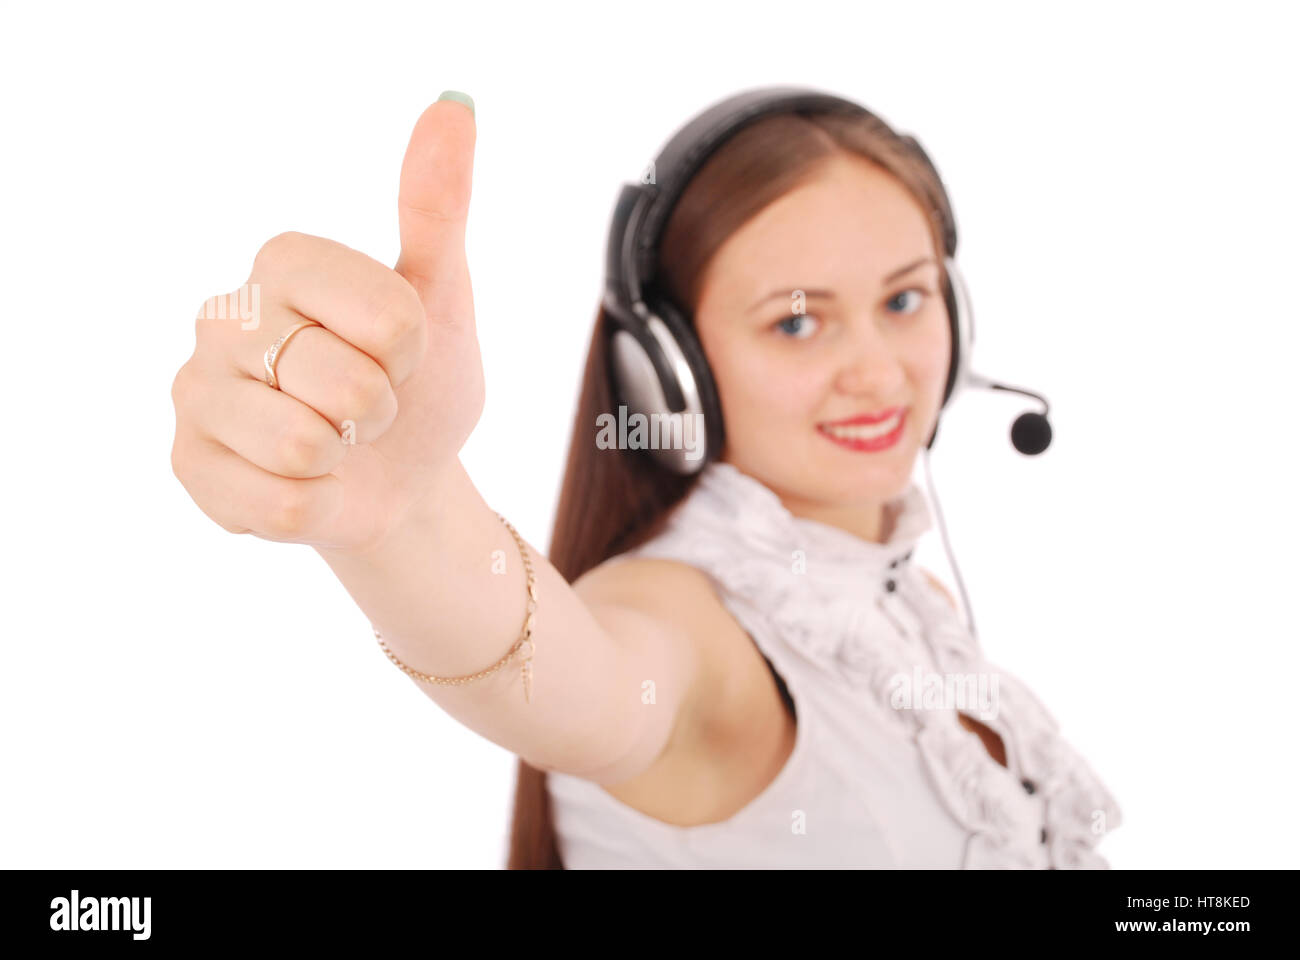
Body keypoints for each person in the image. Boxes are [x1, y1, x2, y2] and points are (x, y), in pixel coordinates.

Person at [170, 87, 1121, 869]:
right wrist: (408, 519)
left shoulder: (908, 600)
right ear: (667, 374)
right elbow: (582, 690)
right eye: (796, 321)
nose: (878, 369)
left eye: (905, 300)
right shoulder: (682, 619)